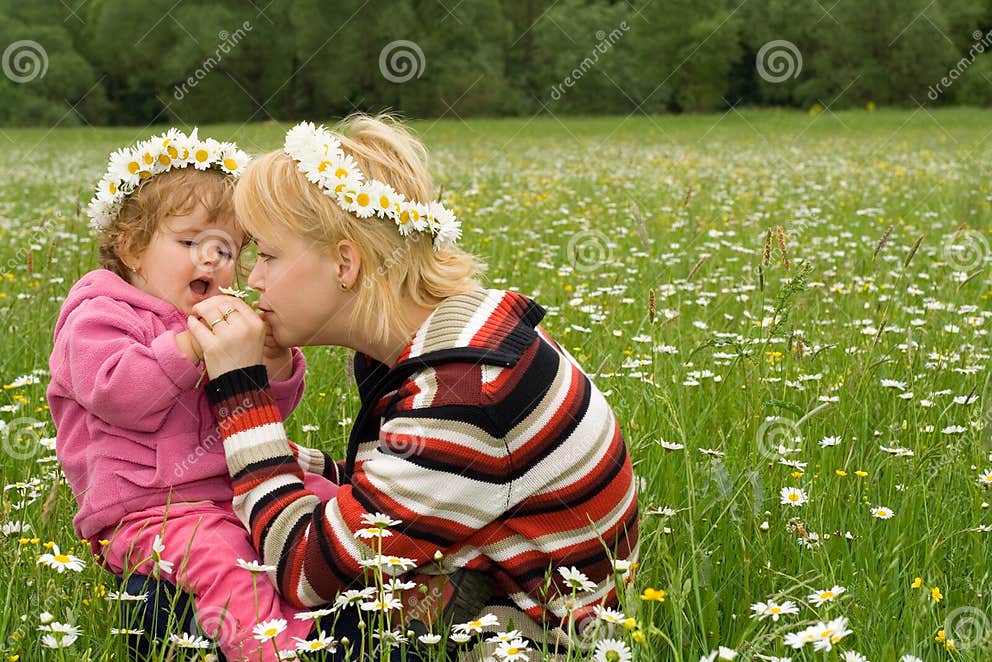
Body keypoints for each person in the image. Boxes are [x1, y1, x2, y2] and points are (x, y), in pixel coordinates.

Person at [187, 115, 639, 657]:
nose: (252, 280)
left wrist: (241, 392)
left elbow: (303, 569)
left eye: (268, 254)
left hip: (524, 641)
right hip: (476, 589)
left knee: (188, 613)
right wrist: (257, 463)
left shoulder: (466, 391)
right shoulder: (448, 338)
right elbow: (387, 498)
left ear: (345, 262)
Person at [47, 129, 338, 661]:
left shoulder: (210, 318)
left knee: (328, 507)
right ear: (134, 247)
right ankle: (274, 652)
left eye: (225, 248)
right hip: (148, 512)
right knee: (226, 566)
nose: (211, 260)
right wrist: (187, 346)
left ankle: (381, 612)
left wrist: (268, 360)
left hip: (230, 491)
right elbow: (117, 393)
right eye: (190, 243)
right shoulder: (98, 313)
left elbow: (258, 416)